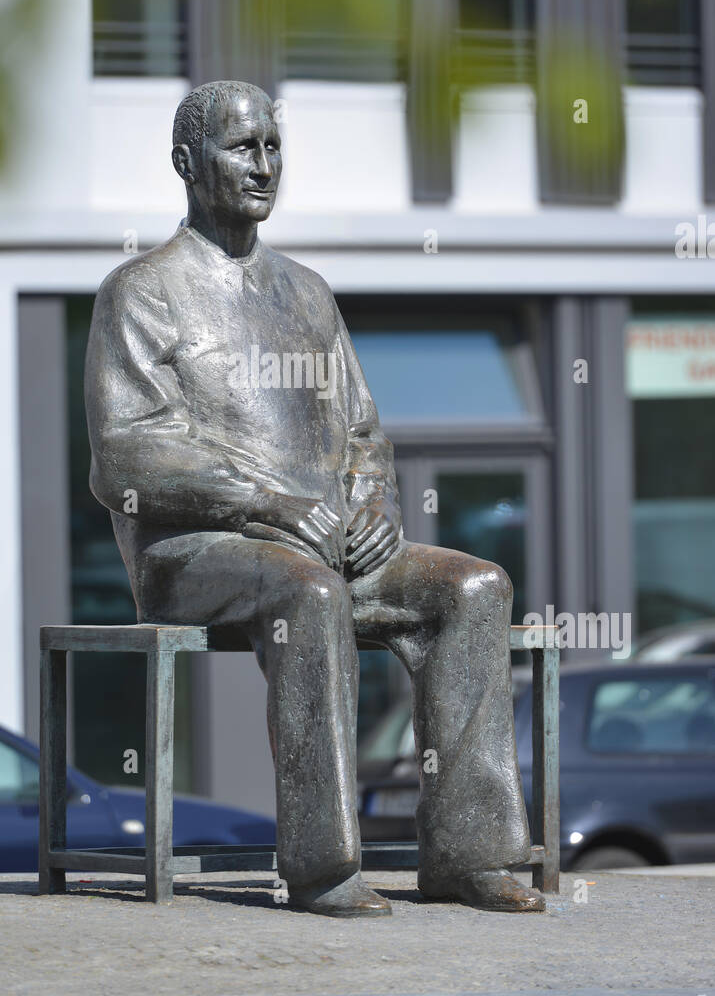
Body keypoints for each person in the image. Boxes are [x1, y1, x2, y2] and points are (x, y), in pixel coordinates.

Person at [85, 80, 543, 918]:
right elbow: (126, 457)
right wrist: (264, 502)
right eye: (241, 147)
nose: (264, 165)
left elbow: (363, 428)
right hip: (194, 552)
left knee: (471, 588)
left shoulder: (307, 292)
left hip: (325, 539)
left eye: (273, 146)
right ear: (187, 163)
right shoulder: (141, 291)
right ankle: (323, 865)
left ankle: (470, 854)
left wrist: (372, 502)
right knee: (309, 594)